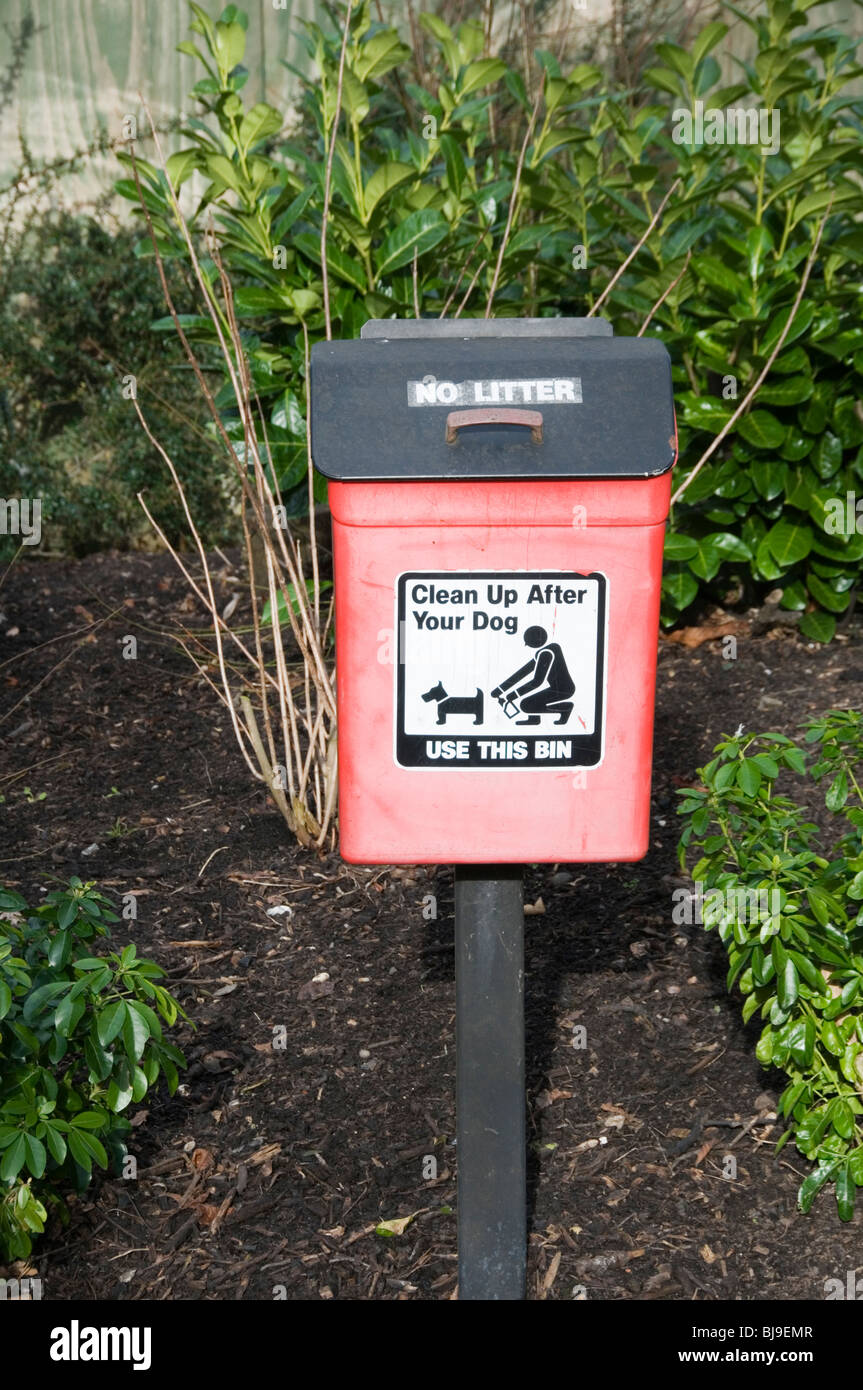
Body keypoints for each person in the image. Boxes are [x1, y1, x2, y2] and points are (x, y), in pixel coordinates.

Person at [491, 626, 574, 726]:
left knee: (526, 704)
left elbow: (537, 681)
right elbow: (522, 673)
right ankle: (534, 719)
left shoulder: (546, 653)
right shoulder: (546, 650)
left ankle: (565, 709)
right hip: (557, 687)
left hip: (563, 690)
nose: (526, 644)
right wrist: (498, 690)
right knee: (530, 701)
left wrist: (512, 695)